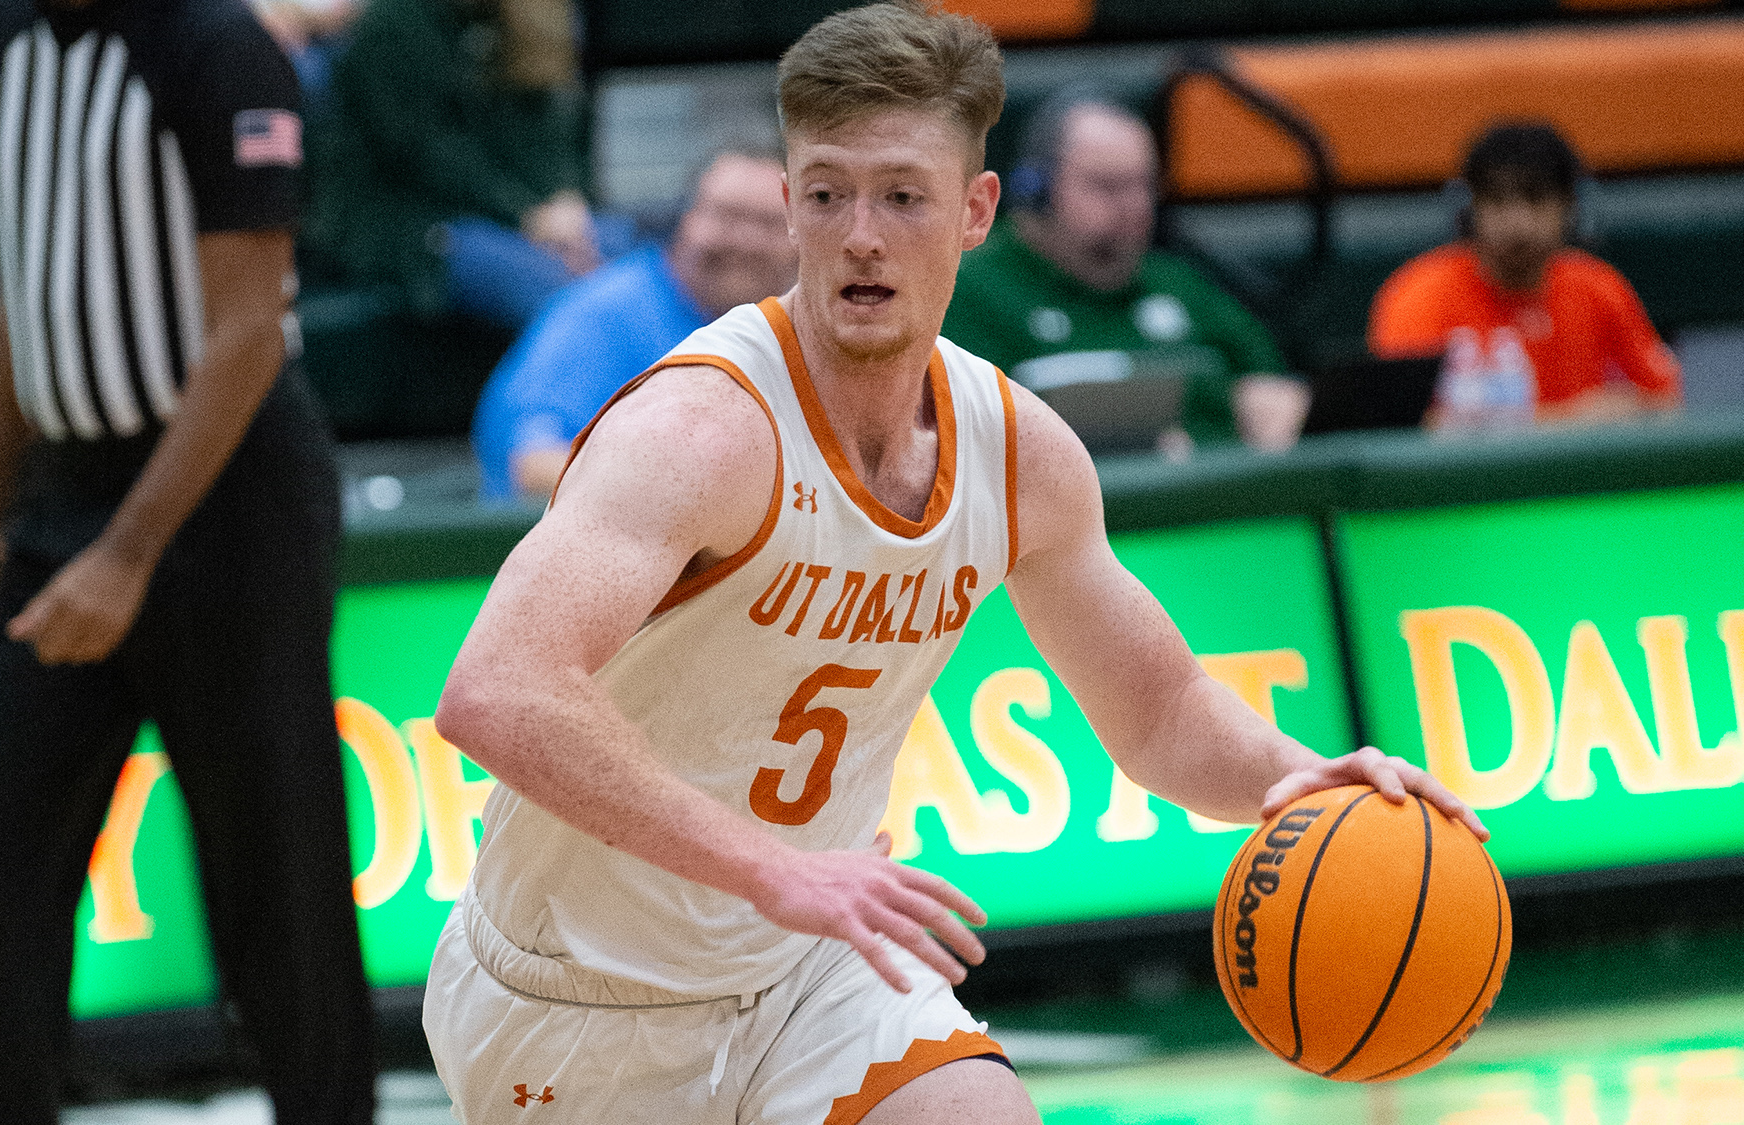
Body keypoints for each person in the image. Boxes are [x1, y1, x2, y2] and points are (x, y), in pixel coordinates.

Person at [422, 4, 1485, 1123]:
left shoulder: (1018, 451)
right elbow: (497, 691)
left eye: (900, 195)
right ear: (789, 207)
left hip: (812, 963)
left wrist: (1287, 780)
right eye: (826, 194)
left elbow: (1159, 711)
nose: (860, 235)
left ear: (975, 210)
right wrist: (772, 867)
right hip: (576, 995)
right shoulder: (699, 432)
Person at [0, 3, 375, 1122]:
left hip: (232, 505)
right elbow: (18, 303)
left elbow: (247, 333)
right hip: (59, 498)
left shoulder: (219, 47)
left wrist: (131, 553)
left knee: (275, 873)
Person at [939, 88, 1307, 454]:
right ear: (1036, 189)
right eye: (1108, 186)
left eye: (1143, 185)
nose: (1134, 207)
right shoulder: (967, 289)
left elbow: (1273, 388)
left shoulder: (1178, 284)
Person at [471, 140, 797, 502]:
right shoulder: (605, 315)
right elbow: (535, 468)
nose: (745, 241)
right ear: (684, 219)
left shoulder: (788, 329)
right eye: (727, 217)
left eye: (768, 224)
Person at [313, 0, 626, 328]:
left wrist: (563, 196)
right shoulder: (392, 24)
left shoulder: (519, 15)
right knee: (557, 294)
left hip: (507, 210)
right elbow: (425, 152)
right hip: (410, 221)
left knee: (630, 258)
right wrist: (525, 213)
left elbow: (544, 132)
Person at [1368, 123, 1682, 430]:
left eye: (1536, 200)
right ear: (1471, 207)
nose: (1518, 223)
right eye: (1498, 201)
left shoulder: (1599, 287)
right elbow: (1402, 424)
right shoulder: (1420, 294)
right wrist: (1568, 422)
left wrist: (1631, 408)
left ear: (1569, 204)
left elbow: (1666, 402)